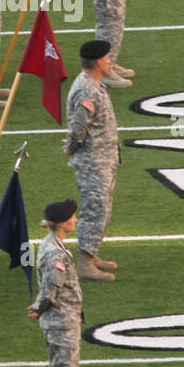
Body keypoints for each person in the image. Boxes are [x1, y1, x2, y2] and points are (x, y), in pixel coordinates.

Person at [28, 198, 85, 367]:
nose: (75, 219)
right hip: (61, 321)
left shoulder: (52, 244)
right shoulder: (55, 254)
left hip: (64, 318)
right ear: (62, 223)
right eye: (72, 216)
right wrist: (39, 308)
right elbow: (52, 288)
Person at [64, 40, 120, 281]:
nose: (110, 61)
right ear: (98, 62)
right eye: (107, 58)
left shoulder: (93, 84)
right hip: (93, 162)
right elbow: (79, 127)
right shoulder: (87, 90)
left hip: (103, 159)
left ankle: (92, 253)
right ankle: (85, 263)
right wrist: (71, 147)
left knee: (102, 208)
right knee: (95, 208)